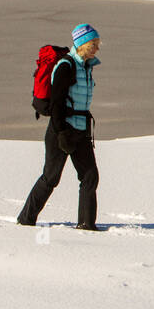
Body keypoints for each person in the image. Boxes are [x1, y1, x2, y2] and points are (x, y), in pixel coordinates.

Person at [17, 23, 102, 230]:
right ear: (83, 44)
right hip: (61, 131)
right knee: (51, 177)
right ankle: (26, 219)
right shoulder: (66, 66)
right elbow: (56, 104)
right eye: (94, 44)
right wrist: (61, 133)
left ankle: (86, 225)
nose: (97, 48)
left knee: (90, 175)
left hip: (80, 131)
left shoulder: (85, 67)